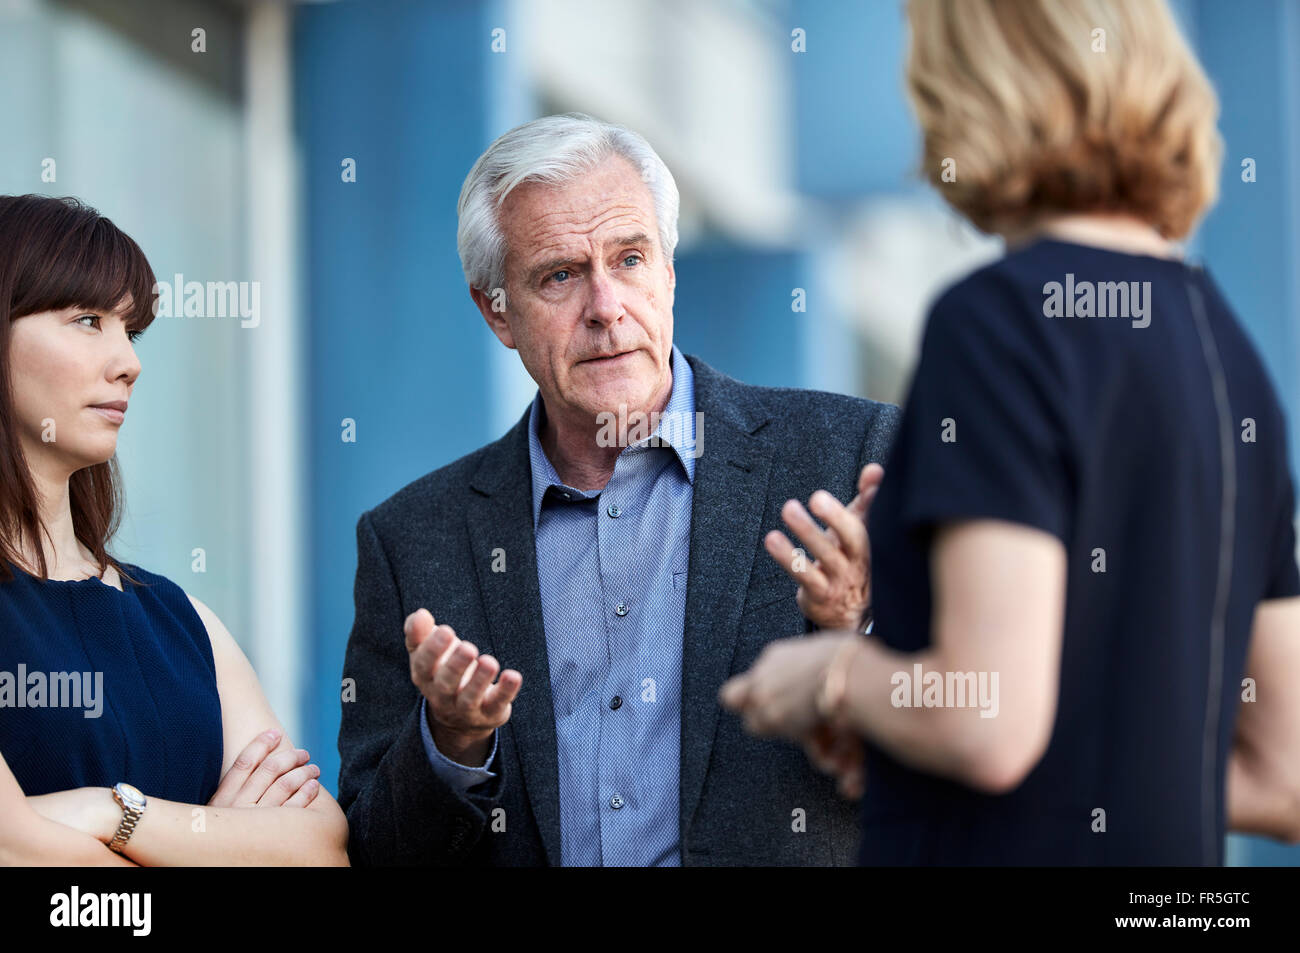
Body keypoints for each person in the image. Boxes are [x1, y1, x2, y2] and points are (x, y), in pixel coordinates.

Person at [721, 0, 1300, 864]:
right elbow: (1281, 777)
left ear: (971, 87)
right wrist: (910, 747)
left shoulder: (998, 321)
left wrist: (830, 678)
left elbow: (985, 720)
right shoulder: (1228, 348)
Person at [337, 113, 900, 866]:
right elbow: (373, 848)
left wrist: (852, 632)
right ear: (495, 311)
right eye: (560, 275)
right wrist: (451, 742)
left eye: (629, 259)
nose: (605, 308)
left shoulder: (850, 458)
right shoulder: (411, 540)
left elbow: (971, 751)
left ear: (669, 272)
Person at [0, 195, 349, 866]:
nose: (128, 362)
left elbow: (322, 847)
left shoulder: (181, 621)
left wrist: (113, 812)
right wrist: (213, 842)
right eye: (87, 320)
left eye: (130, 330)